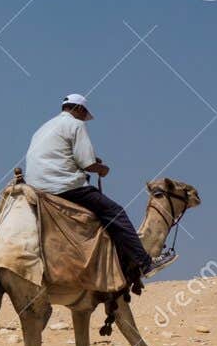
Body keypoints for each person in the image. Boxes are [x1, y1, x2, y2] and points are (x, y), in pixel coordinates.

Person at [23, 93, 155, 287]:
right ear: (79, 109)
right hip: (62, 186)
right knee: (115, 212)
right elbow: (87, 163)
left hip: (35, 186)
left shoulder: (43, 128)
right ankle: (145, 263)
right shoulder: (76, 125)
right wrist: (102, 169)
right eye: (84, 114)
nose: (84, 118)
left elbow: (63, 156)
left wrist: (92, 161)